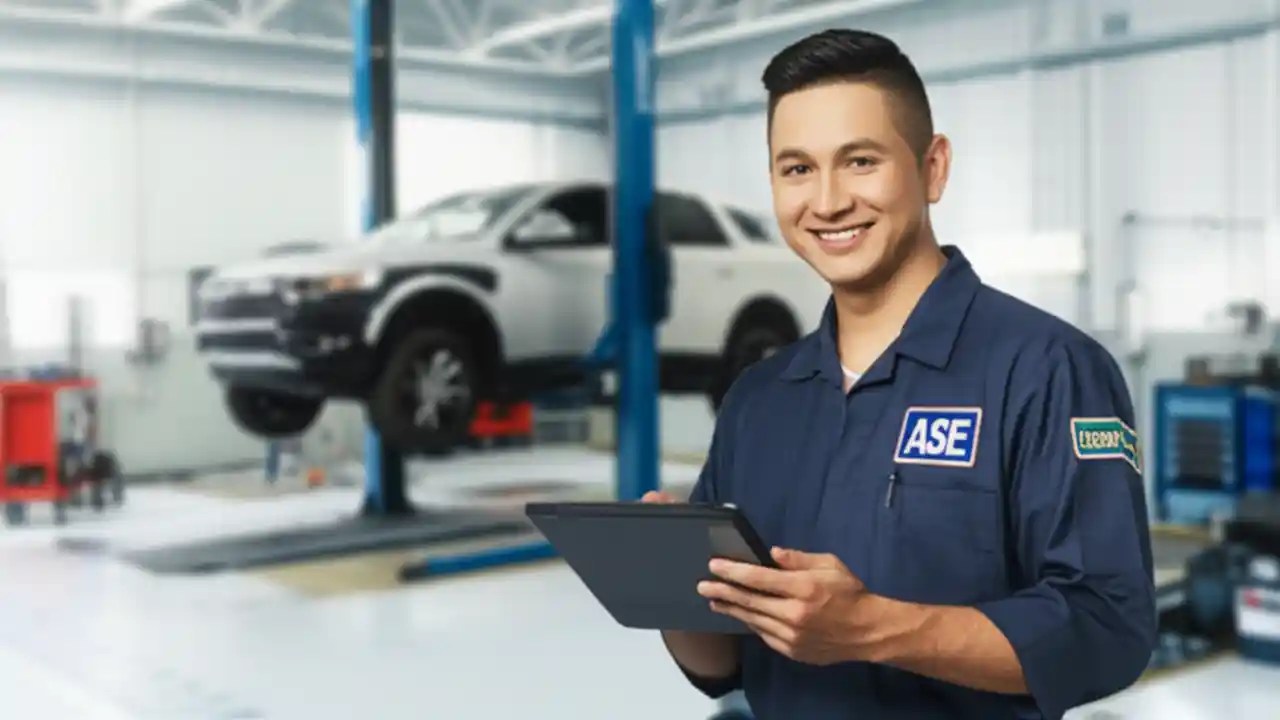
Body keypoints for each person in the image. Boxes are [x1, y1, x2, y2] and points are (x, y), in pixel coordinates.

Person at [643, 28, 1156, 720]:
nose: (826, 202)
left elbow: (1109, 627)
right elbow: (723, 662)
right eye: (796, 169)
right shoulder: (759, 400)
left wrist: (872, 627)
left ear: (933, 166)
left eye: (858, 161)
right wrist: (669, 585)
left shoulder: (1047, 370)